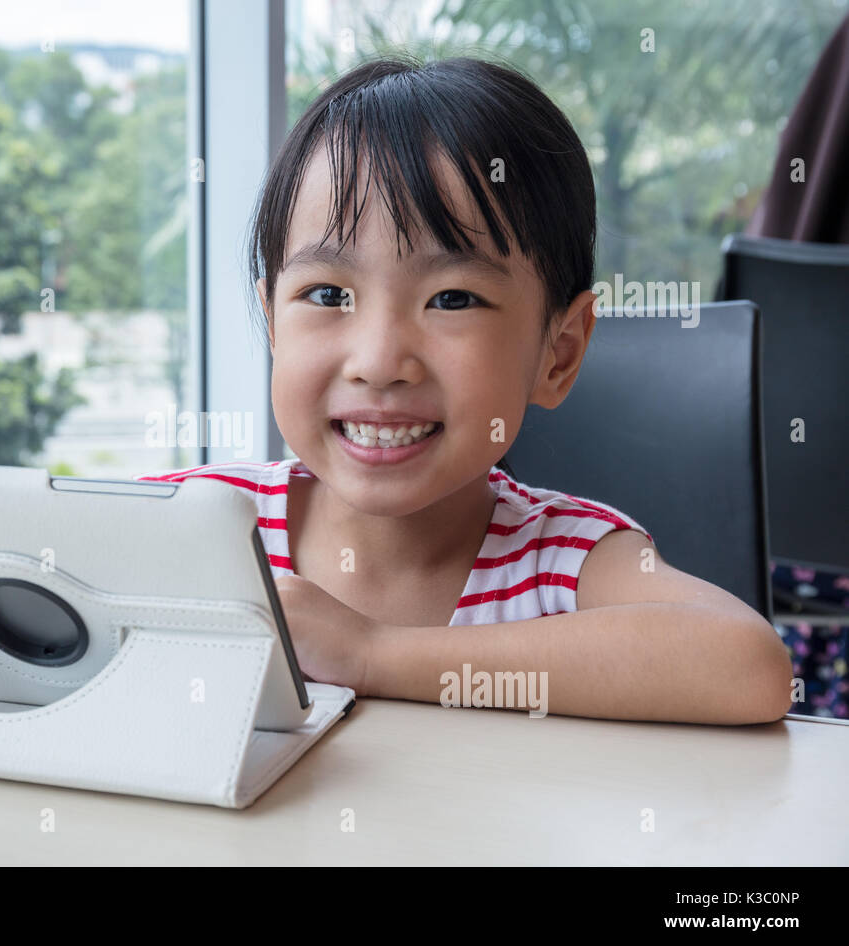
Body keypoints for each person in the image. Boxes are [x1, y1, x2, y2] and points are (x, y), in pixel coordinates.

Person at [135, 54, 791, 725]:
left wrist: (374, 654)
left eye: (452, 298)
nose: (380, 361)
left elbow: (748, 666)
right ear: (274, 323)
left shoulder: (563, 562)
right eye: (328, 293)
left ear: (557, 354)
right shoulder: (200, 525)